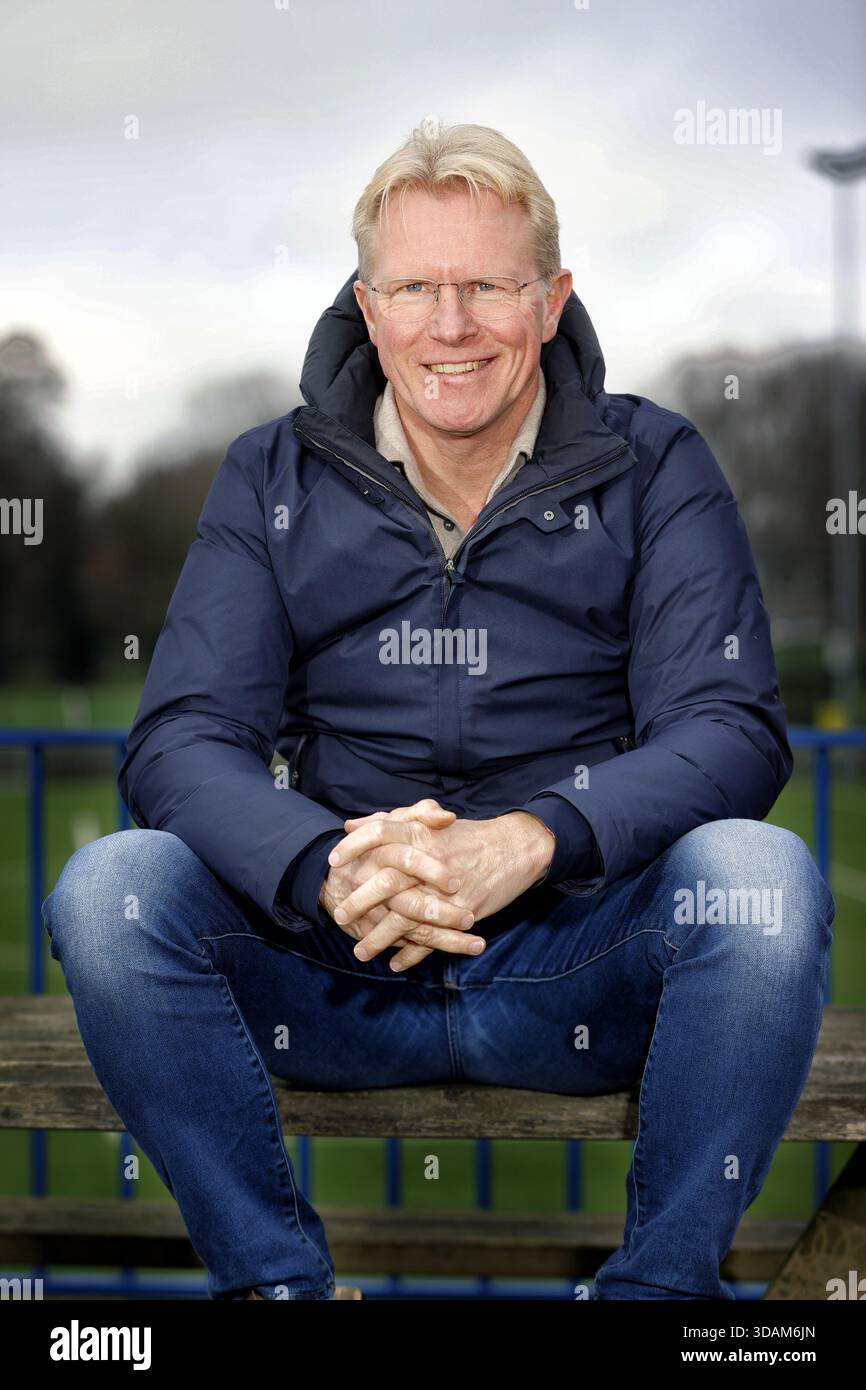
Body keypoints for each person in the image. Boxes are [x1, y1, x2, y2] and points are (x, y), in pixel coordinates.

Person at [42, 122, 834, 1301]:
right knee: (108, 891)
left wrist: (526, 841)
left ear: (551, 298)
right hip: (332, 961)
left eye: (487, 286)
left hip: (581, 960)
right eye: (414, 286)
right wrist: (320, 863)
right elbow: (181, 739)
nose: (449, 326)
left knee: (760, 877)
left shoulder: (656, 463)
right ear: (368, 305)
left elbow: (728, 728)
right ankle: (278, 1288)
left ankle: (660, 1297)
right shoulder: (270, 475)